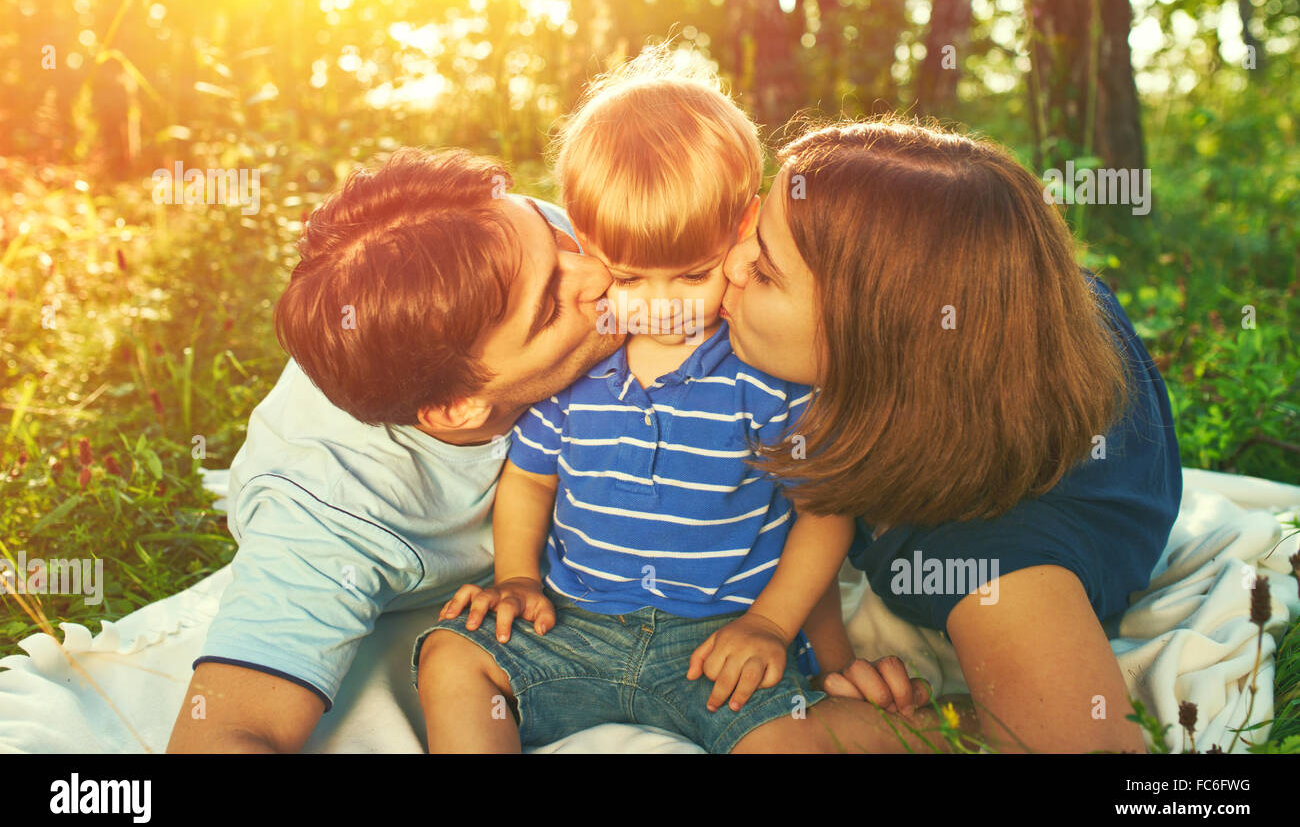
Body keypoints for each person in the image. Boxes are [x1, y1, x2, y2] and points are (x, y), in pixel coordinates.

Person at [414, 51, 875, 754]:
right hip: (574, 625)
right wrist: (515, 578)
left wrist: (772, 627)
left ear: (743, 229)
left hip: (719, 642)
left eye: (693, 274)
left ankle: (911, 723)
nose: (661, 306)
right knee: (450, 655)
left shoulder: (769, 372)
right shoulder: (575, 366)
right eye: (630, 276)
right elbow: (531, 479)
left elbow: (823, 510)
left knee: (792, 740)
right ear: (588, 244)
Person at [719, 117, 1183, 752]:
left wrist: (942, 719)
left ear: (873, 339)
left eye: (765, 272)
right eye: (752, 229)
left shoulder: (992, 566)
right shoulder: (967, 325)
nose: (730, 262)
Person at [167, 148, 621, 752]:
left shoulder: (515, 240)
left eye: (556, 238)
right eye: (549, 307)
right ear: (459, 408)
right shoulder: (332, 513)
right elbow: (225, 733)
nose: (601, 273)